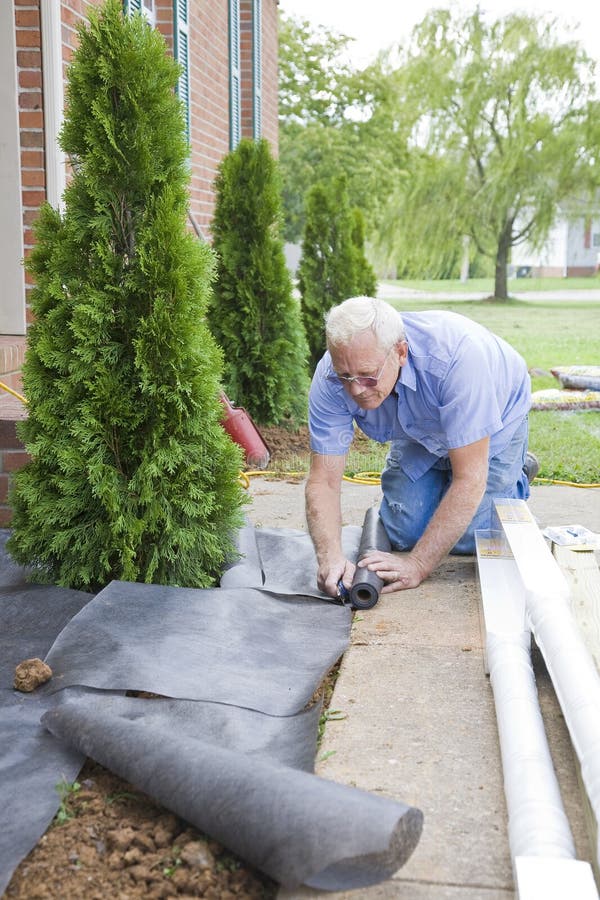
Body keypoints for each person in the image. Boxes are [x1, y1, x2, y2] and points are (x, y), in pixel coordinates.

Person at [305, 296, 535, 599]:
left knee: (472, 538)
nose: (355, 389)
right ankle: (444, 479)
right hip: (422, 430)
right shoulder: (332, 377)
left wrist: (418, 564)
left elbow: (470, 479)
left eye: (367, 376)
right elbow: (324, 480)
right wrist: (330, 558)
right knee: (404, 533)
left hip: (495, 420)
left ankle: (519, 471)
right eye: (345, 376)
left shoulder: (457, 360)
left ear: (400, 352)